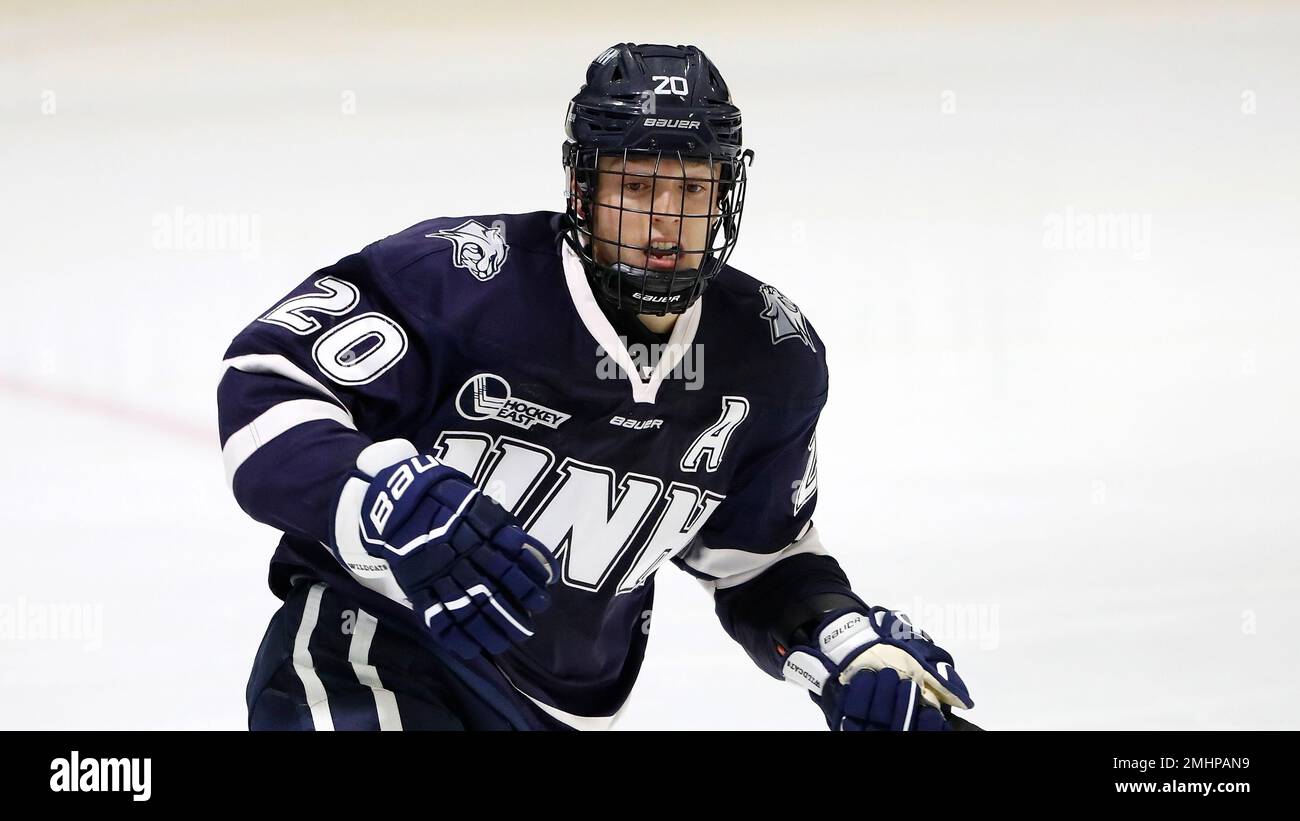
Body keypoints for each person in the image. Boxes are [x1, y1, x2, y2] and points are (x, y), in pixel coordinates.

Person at [217, 42, 976, 731]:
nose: (665, 221)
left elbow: (760, 561)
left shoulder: (769, 360)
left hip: (557, 712)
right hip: (375, 648)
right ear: (582, 190)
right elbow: (266, 382)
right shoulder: (463, 284)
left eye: (691, 188)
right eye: (638, 187)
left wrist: (848, 648)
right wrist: (381, 495)